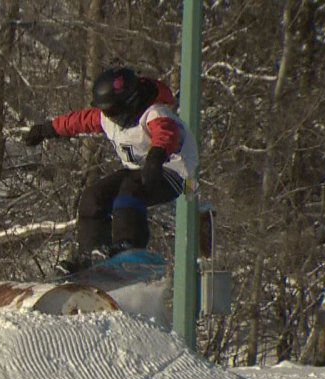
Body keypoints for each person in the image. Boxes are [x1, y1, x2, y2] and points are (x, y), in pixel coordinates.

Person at [23, 66, 198, 275]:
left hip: (173, 171)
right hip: (140, 171)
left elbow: (166, 135)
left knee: (130, 189)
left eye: (114, 111)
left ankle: (129, 246)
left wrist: (156, 157)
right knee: (94, 196)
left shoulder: (154, 113)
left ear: (130, 102)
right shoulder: (107, 117)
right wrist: (46, 130)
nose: (110, 117)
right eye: (106, 111)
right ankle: (91, 253)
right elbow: (79, 121)